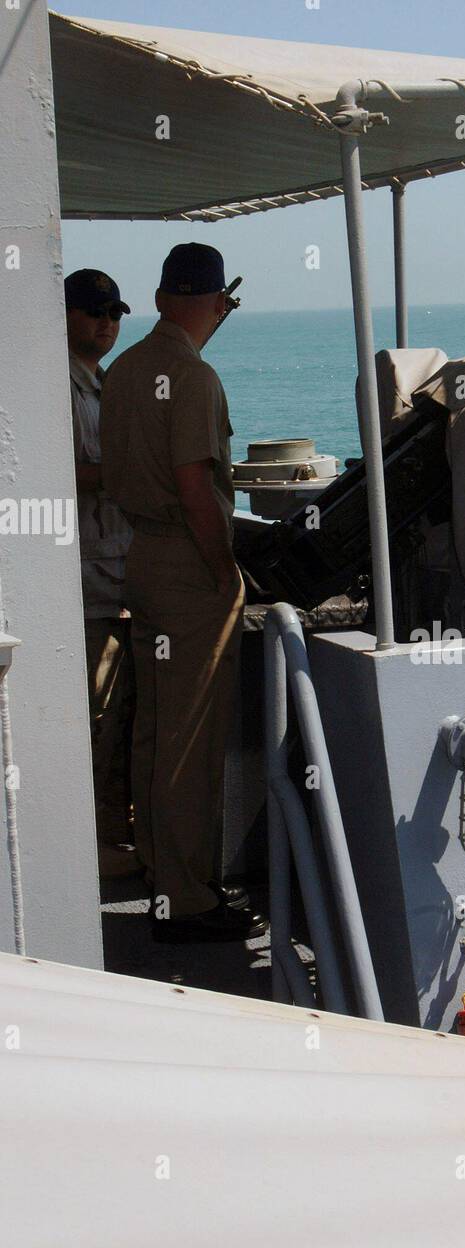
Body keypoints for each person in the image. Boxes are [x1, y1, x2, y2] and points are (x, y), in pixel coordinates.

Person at [100, 244, 266, 943]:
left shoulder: (124, 371)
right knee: (190, 738)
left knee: (153, 730)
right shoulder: (191, 377)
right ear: (216, 304)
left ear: (164, 297)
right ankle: (189, 898)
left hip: (141, 555)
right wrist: (224, 570)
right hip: (187, 566)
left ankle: (162, 875)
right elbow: (198, 486)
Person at [65, 269, 138, 878]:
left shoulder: (101, 382)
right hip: (87, 579)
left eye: (114, 312)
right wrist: (132, 470)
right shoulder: (57, 386)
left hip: (115, 575)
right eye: (94, 311)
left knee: (115, 713)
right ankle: (87, 843)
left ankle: (112, 831)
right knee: (95, 713)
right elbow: (58, 469)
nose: (106, 321)